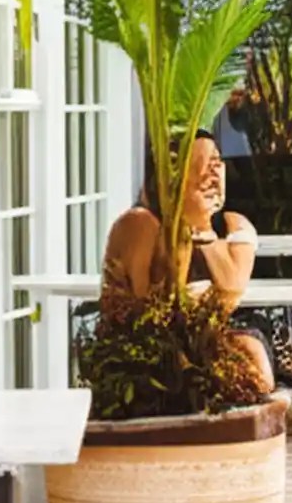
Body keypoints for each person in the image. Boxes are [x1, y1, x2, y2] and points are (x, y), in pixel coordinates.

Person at [103, 129, 275, 393]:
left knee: (254, 359)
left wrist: (202, 228)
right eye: (203, 165)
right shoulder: (140, 225)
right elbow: (147, 310)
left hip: (208, 337)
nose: (214, 174)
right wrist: (184, 227)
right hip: (146, 346)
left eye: (217, 163)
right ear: (172, 177)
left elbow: (229, 295)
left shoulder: (234, 226)